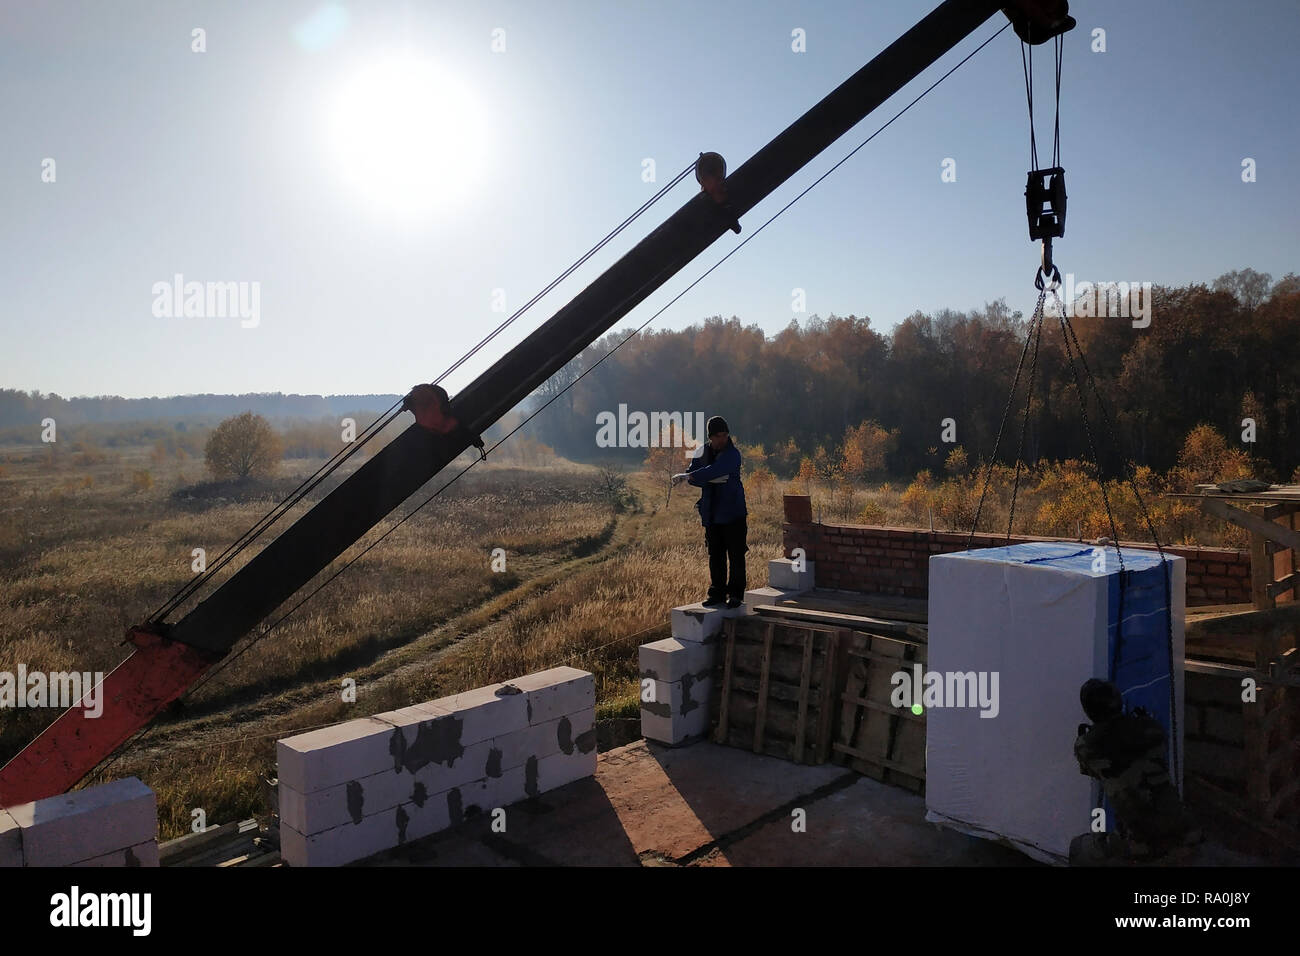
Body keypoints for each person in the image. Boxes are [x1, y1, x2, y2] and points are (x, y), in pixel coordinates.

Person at [1070, 678, 1201, 864]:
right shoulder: (1153, 729)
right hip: (1185, 830)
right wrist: (1142, 720)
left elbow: (1090, 768)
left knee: (1078, 848)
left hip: (1141, 842)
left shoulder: (1088, 746)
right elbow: (1147, 741)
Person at [673, 416, 747, 608]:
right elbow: (697, 477)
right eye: (718, 436)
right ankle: (717, 594)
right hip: (712, 513)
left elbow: (714, 470)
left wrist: (696, 476)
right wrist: (705, 477)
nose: (722, 439)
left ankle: (736, 595)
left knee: (736, 555)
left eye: (725, 435)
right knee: (716, 555)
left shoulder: (733, 454)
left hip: (733, 513)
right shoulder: (702, 451)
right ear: (710, 437)